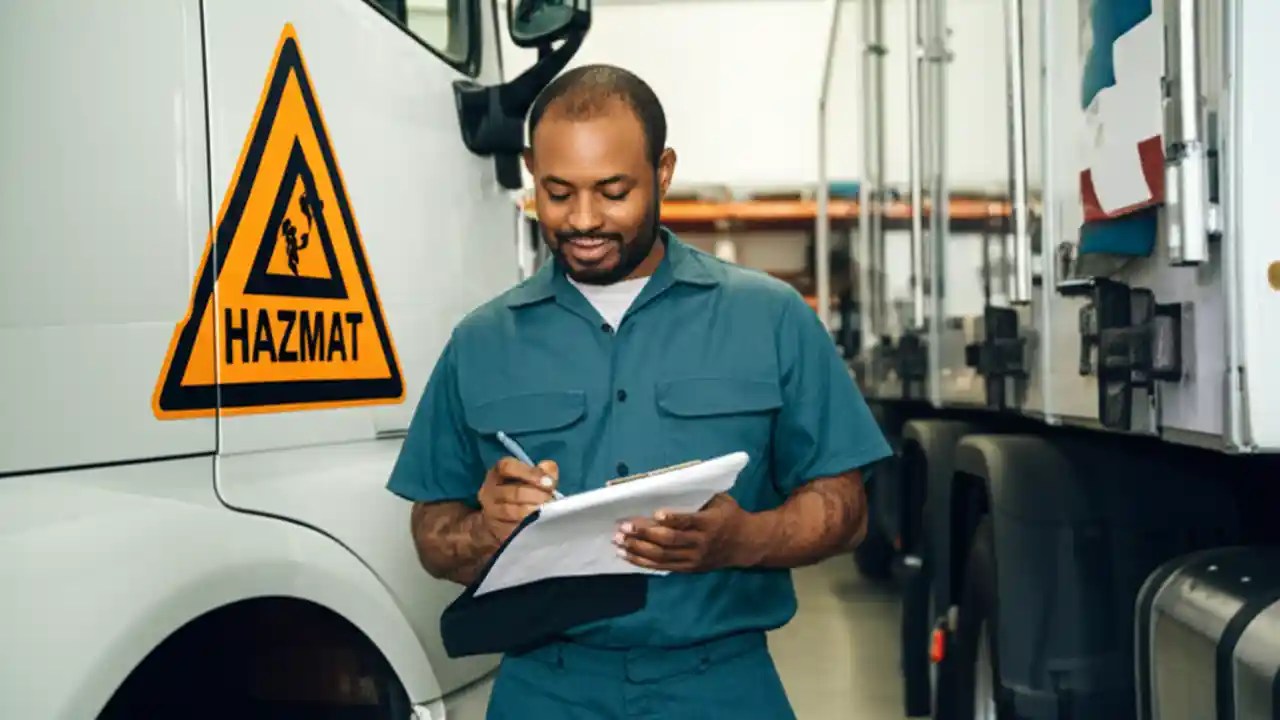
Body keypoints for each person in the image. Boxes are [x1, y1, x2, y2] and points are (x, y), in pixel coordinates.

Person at [386, 63, 892, 719]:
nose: (584, 219)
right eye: (558, 193)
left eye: (613, 191)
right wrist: (487, 529)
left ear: (663, 172)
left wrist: (743, 540)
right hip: (545, 686)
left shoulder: (769, 318)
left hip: (720, 684)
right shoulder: (481, 341)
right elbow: (431, 534)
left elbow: (844, 508)